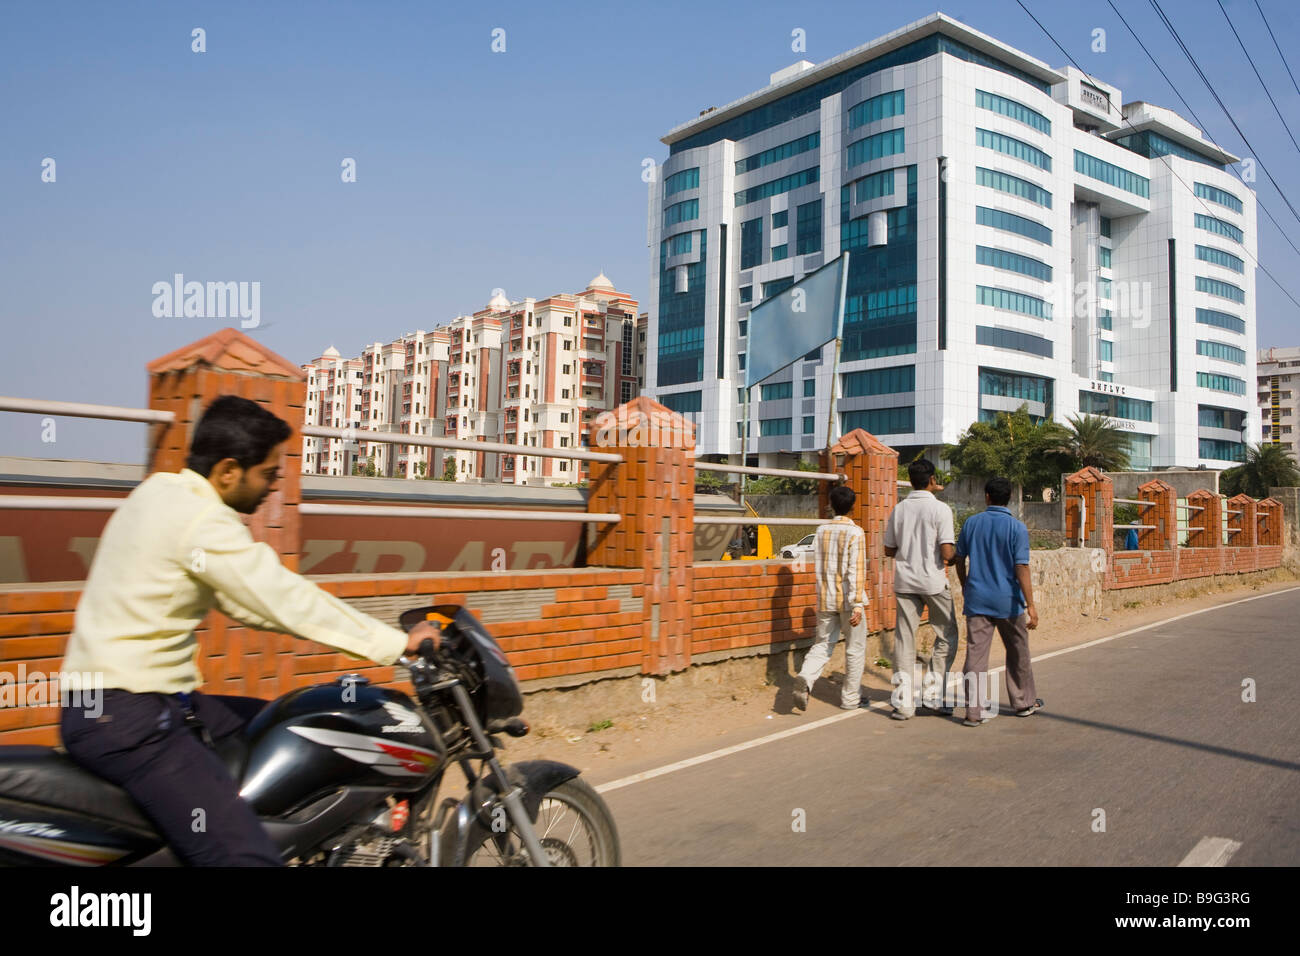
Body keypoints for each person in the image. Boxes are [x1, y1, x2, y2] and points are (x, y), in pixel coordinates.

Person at [59, 395, 439, 865]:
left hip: (136, 702)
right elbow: (280, 596)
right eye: (268, 474)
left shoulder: (159, 493)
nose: (273, 488)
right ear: (227, 471)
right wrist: (397, 644)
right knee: (243, 855)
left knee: (294, 729)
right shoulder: (202, 520)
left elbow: (248, 601)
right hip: (131, 717)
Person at [952, 477, 1043, 727]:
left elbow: (959, 558)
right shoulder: (1017, 528)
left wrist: (965, 584)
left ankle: (974, 711)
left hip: (977, 598)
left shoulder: (972, 523)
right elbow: (1021, 566)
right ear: (1009, 498)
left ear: (987, 497)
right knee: (1017, 652)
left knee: (976, 654)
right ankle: (1023, 702)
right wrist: (1030, 604)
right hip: (1009, 601)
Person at [883, 459, 959, 720]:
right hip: (933, 581)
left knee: (905, 640)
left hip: (905, 581)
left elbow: (888, 549)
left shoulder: (899, 509)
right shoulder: (941, 510)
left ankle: (904, 703)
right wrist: (958, 557)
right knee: (947, 635)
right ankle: (932, 695)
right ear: (932, 480)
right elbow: (947, 552)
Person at [791, 485, 868, 712]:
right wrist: (857, 604)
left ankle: (806, 677)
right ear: (853, 507)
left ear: (831, 506)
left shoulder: (821, 531)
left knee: (822, 645)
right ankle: (851, 698)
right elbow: (856, 570)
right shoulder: (855, 533)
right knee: (854, 649)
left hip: (825, 598)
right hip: (848, 599)